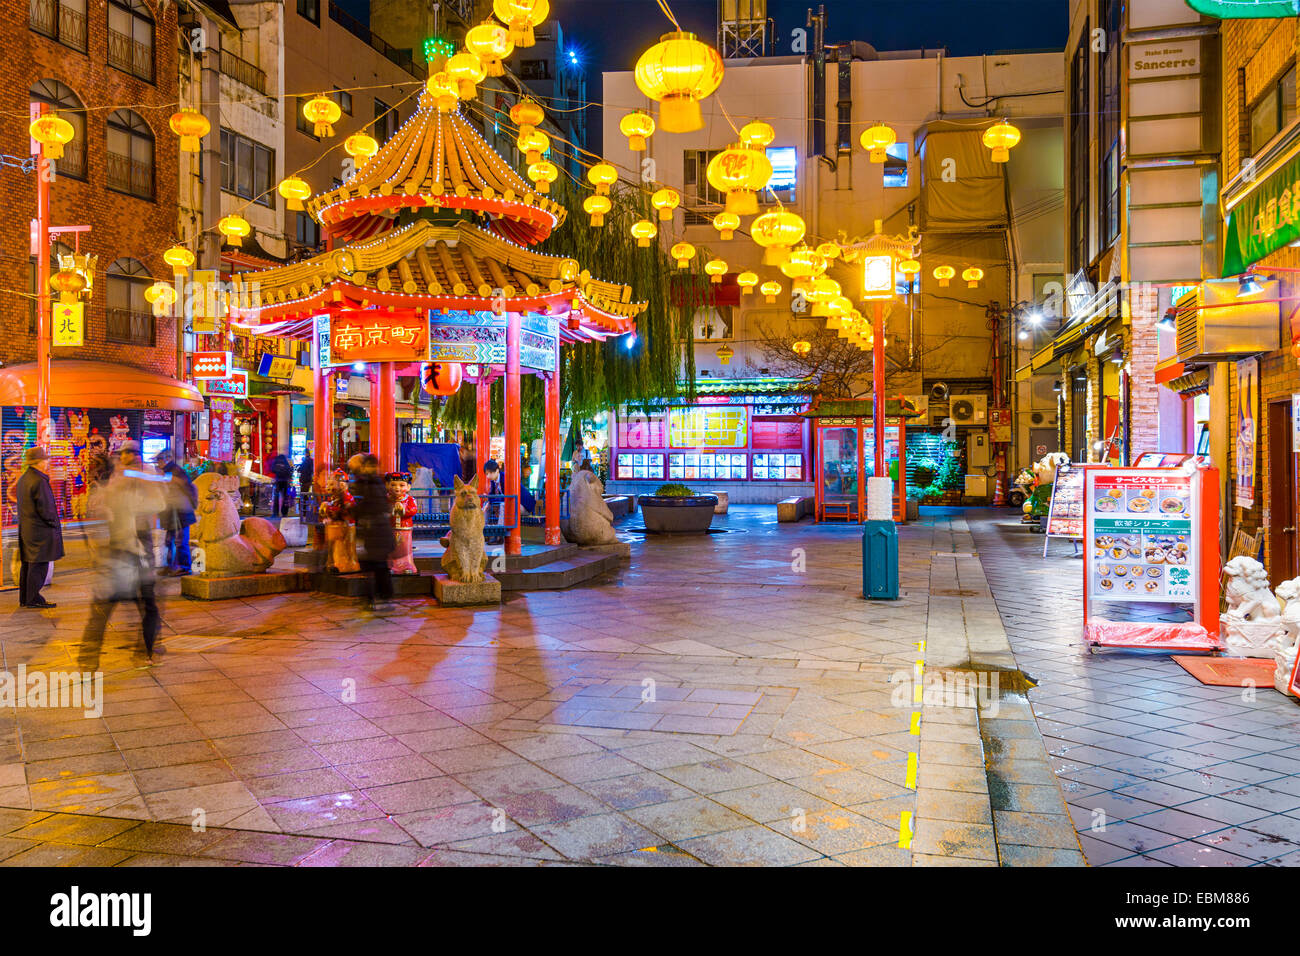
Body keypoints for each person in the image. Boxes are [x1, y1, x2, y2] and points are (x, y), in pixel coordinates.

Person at [80, 442, 166, 664]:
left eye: (132, 453)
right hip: (123, 553)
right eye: (125, 453)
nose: (128, 457)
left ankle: (145, 648)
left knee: (143, 605)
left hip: (135, 553)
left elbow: (158, 504)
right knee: (110, 606)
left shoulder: (140, 479)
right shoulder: (119, 483)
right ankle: (90, 656)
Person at [16, 446, 64, 609]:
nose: (47, 462)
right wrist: (54, 525)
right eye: (45, 459)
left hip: (28, 530)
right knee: (39, 565)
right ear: (39, 462)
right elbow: (47, 509)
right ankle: (33, 598)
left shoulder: (24, 478)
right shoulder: (39, 481)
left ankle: (26, 598)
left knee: (28, 564)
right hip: (40, 531)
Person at [350, 454, 396, 609]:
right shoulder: (374, 483)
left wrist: (354, 510)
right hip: (376, 531)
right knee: (376, 567)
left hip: (375, 531)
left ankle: (378, 597)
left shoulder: (369, 483)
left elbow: (369, 506)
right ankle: (378, 597)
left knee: (376, 566)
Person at [160, 460, 197, 576]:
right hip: (174, 513)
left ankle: (184, 567)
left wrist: (193, 505)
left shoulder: (175, 473)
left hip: (182, 513)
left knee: (180, 541)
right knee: (169, 541)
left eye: (159, 460)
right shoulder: (169, 473)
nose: (157, 463)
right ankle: (171, 566)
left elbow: (188, 490)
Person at [269, 450, 292, 517]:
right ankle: (284, 513)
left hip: (278, 481)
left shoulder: (276, 461)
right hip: (285, 481)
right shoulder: (285, 462)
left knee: (276, 497)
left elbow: (272, 469)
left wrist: (277, 472)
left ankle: (275, 513)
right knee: (285, 498)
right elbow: (289, 470)